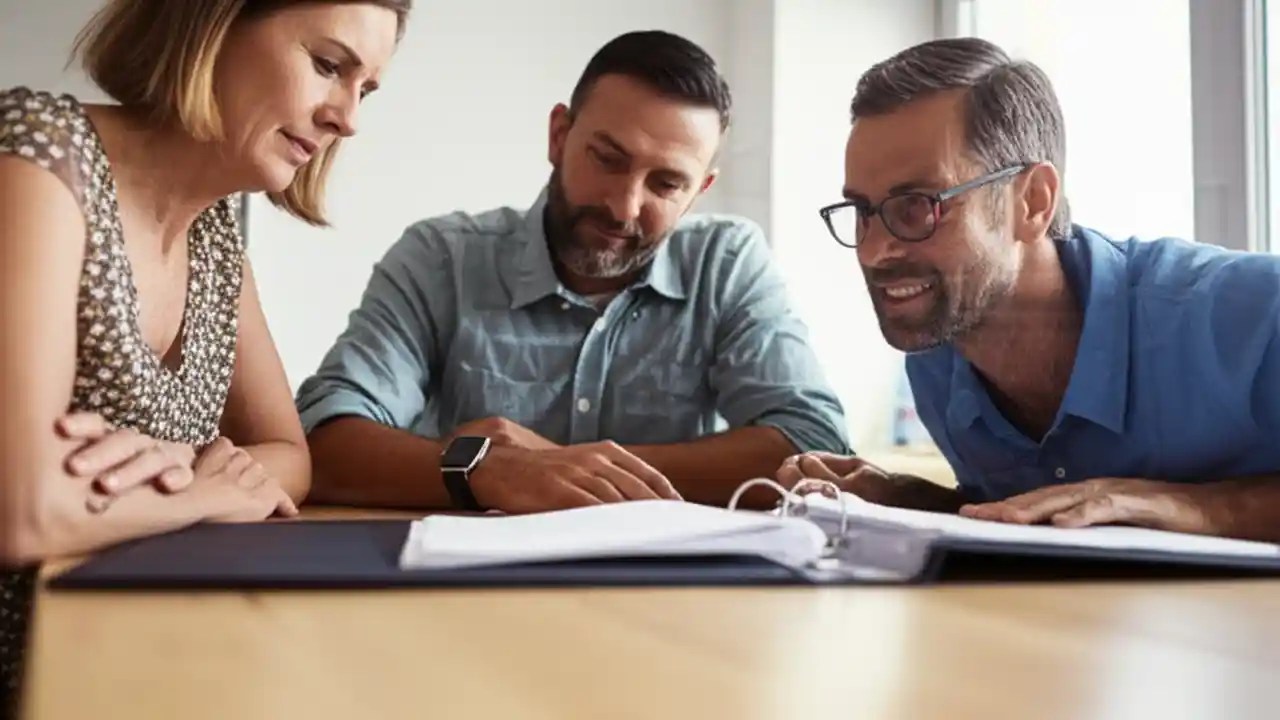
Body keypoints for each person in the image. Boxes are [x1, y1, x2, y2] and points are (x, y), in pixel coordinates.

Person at [0, 0, 410, 709]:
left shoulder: (215, 238)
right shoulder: (38, 155)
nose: (348, 118)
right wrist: (204, 491)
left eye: (364, 89)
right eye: (327, 66)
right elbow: (23, 514)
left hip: (128, 648)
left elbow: (289, 453)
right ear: (211, 22)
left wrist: (179, 467)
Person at [297, 30, 848, 514]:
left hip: (671, 606)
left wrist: (552, 466)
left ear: (699, 190)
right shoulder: (442, 257)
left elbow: (813, 445)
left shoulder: (726, 263)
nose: (625, 206)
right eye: (608, 159)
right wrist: (492, 472)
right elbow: (324, 442)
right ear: (559, 136)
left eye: (666, 184)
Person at [780, 37, 1280, 542]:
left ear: (1033, 202)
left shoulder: (1247, 314)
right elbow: (1065, 526)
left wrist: (1201, 509)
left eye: (918, 205)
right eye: (863, 211)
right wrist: (922, 503)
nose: (874, 252)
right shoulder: (939, 357)